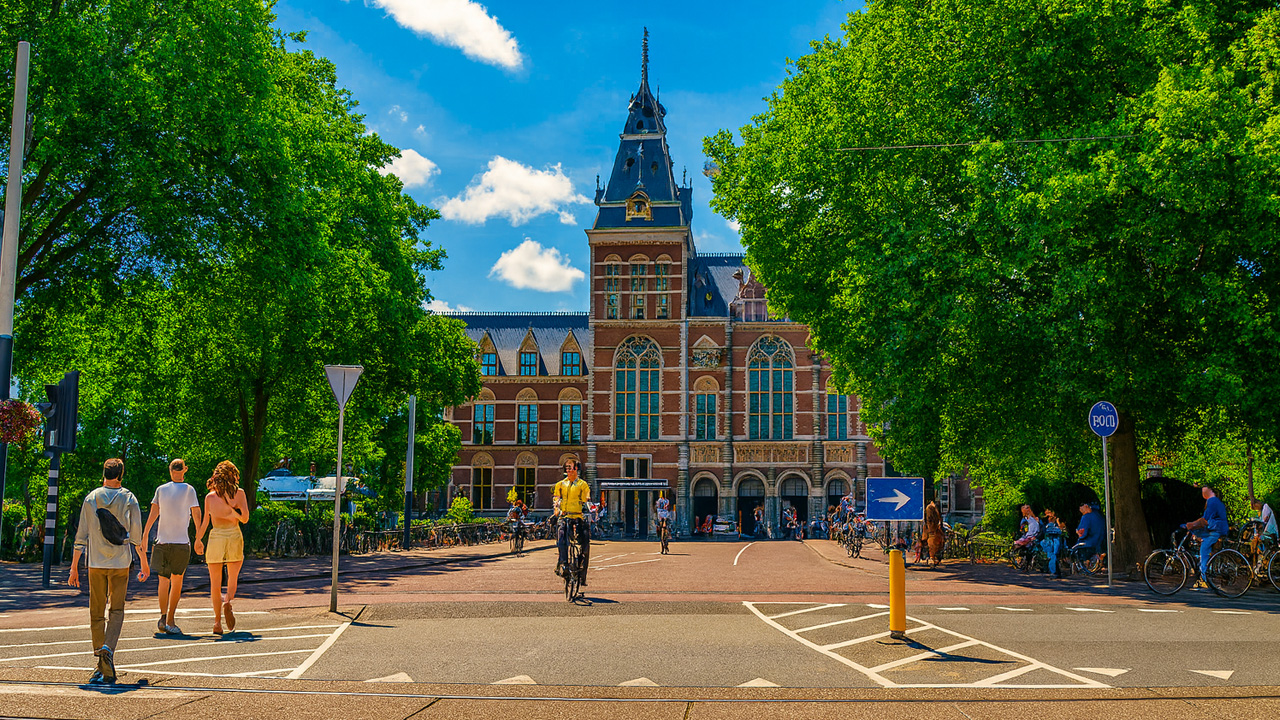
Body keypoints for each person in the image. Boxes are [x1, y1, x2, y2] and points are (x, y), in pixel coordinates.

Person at [69, 458, 150, 684]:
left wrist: (74, 567)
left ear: (103, 473)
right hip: (120, 564)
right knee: (117, 609)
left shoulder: (91, 498)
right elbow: (136, 537)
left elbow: (81, 536)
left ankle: (99, 656)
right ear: (121, 474)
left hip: (95, 563)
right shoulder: (129, 498)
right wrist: (143, 561)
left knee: (96, 611)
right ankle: (108, 649)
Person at [142, 458, 202, 635]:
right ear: (185, 470)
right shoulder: (189, 490)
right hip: (181, 542)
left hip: (162, 541)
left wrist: (145, 535)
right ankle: (171, 620)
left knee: (163, 580)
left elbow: (154, 513)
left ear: (170, 471)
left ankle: (162, 615)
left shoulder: (161, 490)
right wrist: (199, 538)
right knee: (177, 581)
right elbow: (196, 514)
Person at [194, 461, 250, 634]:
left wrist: (198, 540)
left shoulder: (210, 497)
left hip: (216, 536)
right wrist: (234, 513)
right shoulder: (240, 494)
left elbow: (205, 522)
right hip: (233, 535)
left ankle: (217, 623)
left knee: (215, 583)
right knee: (232, 579)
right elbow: (245, 519)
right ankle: (227, 602)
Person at [1182, 484, 1229, 590]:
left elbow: (1205, 520)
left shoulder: (1213, 501)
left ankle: (1204, 578)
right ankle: (1203, 573)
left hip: (1215, 530)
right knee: (1199, 539)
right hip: (1216, 529)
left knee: (1204, 549)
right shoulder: (1215, 501)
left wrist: (1191, 525)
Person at [553, 459, 591, 587]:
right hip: (565, 516)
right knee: (561, 536)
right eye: (567, 468)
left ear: (576, 469)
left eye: (570, 468)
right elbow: (557, 499)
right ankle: (563, 563)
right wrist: (557, 509)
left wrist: (588, 505)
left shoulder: (583, 485)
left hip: (578, 517)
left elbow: (587, 498)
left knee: (585, 543)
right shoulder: (560, 484)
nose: (568, 470)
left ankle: (582, 573)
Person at [1040, 508, 1066, 577]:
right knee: (1053, 556)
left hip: (1051, 543)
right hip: (1052, 543)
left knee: (1052, 556)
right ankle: (1055, 571)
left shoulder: (1051, 524)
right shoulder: (1050, 524)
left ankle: (1054, 572)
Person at [923, 501, 944, 568]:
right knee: (933, 545)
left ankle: (934, 559)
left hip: (934, 529)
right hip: (932, 530)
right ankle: (932, 559)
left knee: (937, 544)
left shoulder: (934, 507)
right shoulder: (930, 508)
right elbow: (929, 519)